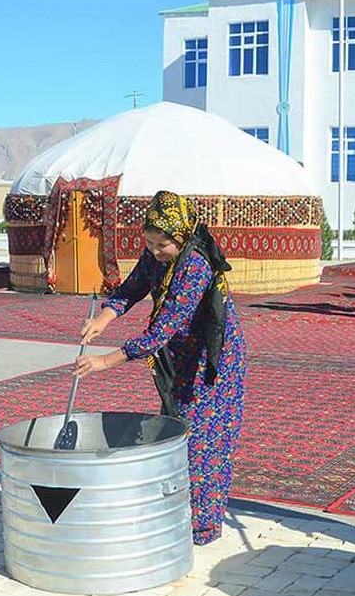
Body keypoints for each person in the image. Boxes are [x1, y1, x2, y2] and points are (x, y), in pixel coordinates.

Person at [73, 191, 247, 545]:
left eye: (161, 245)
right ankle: (177, 513)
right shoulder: (157, 256)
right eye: (149, 243)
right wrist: (103, 318)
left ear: (181, 237)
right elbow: (132, 288)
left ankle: (202, 527)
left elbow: (160, 332)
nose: (154, 251)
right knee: (177, 431)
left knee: (203, 443)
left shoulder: (195, 267)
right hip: (181, 355)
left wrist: (103, 361)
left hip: (211, 362)